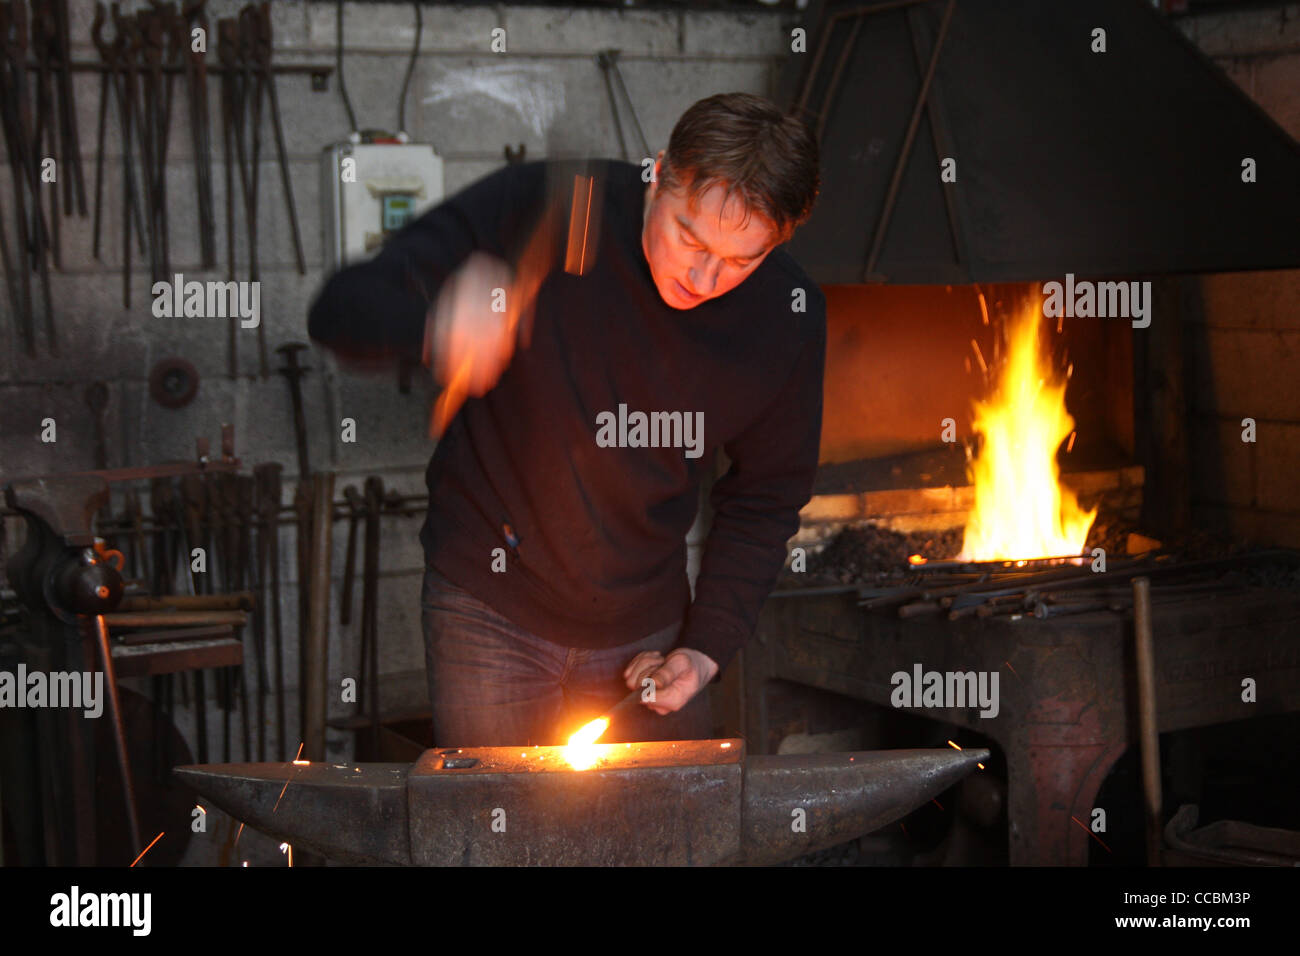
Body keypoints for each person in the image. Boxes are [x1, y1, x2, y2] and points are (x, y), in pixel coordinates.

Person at [308, 92, 825, 747]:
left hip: (647, 626)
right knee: (497, 834)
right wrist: (435, 324)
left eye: (739, 260)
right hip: (491, 602)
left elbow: (767, 497)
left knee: (658, 842)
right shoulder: (553, 204)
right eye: (687, 235)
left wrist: (705, 648)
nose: (701, 274)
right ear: (659, 172)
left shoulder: (788, 315)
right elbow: (339, 308)